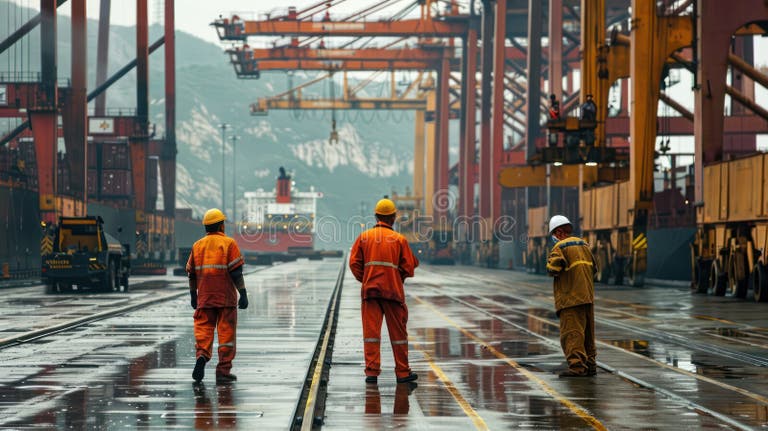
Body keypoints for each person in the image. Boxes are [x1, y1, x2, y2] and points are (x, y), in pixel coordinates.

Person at [350, 198, 419, 385]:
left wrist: (365, 279)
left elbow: (354, 263)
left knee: (371, 334)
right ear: (394, 218)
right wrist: (397, 278)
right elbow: (410, 267)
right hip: (393, 293)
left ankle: (372, 373)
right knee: (398, 336)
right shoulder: (400, 240)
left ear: (376, 216)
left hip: (370, 292)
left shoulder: (364, 237)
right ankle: (403, 373)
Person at [187, 208, 249, 384]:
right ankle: (223, 370)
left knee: (203, 330)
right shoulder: (229, 244)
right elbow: (236, 273)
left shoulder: (197, 246)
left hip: (205, 298)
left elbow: (191, 274)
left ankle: (201, 356)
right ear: (222, 225)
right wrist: (243, 294)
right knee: (226, 335)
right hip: (226, 299)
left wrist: (193, 296)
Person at [546, 215, 597, 378]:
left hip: (570, 299)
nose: (553, 239)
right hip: (587, 297)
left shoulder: (560, 247)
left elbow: (553, 269)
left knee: (572, 334)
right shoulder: (585, 245)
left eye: (553, 235)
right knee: (588, 334)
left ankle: (577, 368)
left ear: (559, 232)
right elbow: (595, 268)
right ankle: (590, 365)